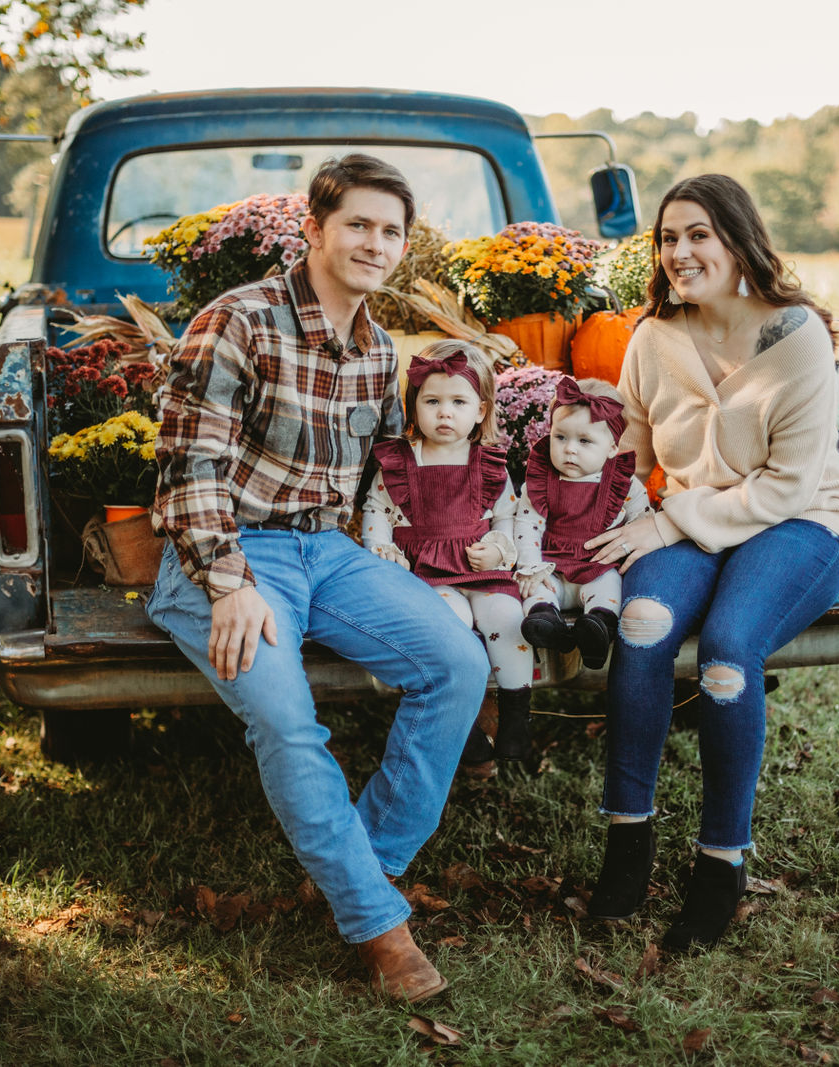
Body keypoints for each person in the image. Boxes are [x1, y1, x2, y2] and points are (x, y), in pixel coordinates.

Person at [146, 154, 488, 1002]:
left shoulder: (377, 350)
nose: (376, 243)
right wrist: (227, 582)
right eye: (358, 225)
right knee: (288, 720)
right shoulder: (240, 320)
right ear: (314, 231)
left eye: (391, 231)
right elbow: (187, 464)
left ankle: (361, 864)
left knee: (459, 663)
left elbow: (381, 476)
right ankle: (379, 927)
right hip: (230, 550)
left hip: (327, 551)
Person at [581, 174, 839, 954]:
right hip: (694, 517)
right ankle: (627, 839)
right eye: (668, 238)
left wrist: (669, 521)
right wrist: (583, 511)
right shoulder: (654, 337)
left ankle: (720, 863)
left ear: (739, 241)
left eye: (698, 234)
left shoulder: (796, 337)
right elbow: (633, 448)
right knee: (642, 624)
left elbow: (787, 484)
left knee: (730, 653)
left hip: (799, 522)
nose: (680, 252)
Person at [360, 341, 534, 764]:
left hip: (481, 568)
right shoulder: (400, 463)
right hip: (425, 573)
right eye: (432, 401)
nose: (444, 413)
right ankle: (462, 721)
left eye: (458, 402)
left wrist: (498, 549)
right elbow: (376, 510)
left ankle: (517, 715)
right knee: (448, 626)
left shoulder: (488, 464)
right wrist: (382, 549)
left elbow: (506, 517)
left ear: (480, 410)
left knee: (506, 617)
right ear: (413, 406)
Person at [515, 376, 653, 671]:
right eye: (560, 437)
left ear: (612, 448)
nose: (569, 449)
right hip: (550, 569)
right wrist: (531, 566)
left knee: (609, 588)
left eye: (584, 441)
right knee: (534, 591)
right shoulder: (540, 481)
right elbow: (527, 525)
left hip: (596, 568)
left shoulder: (623, 485)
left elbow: (641, 524)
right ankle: (546, 622)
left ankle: (597, 627)